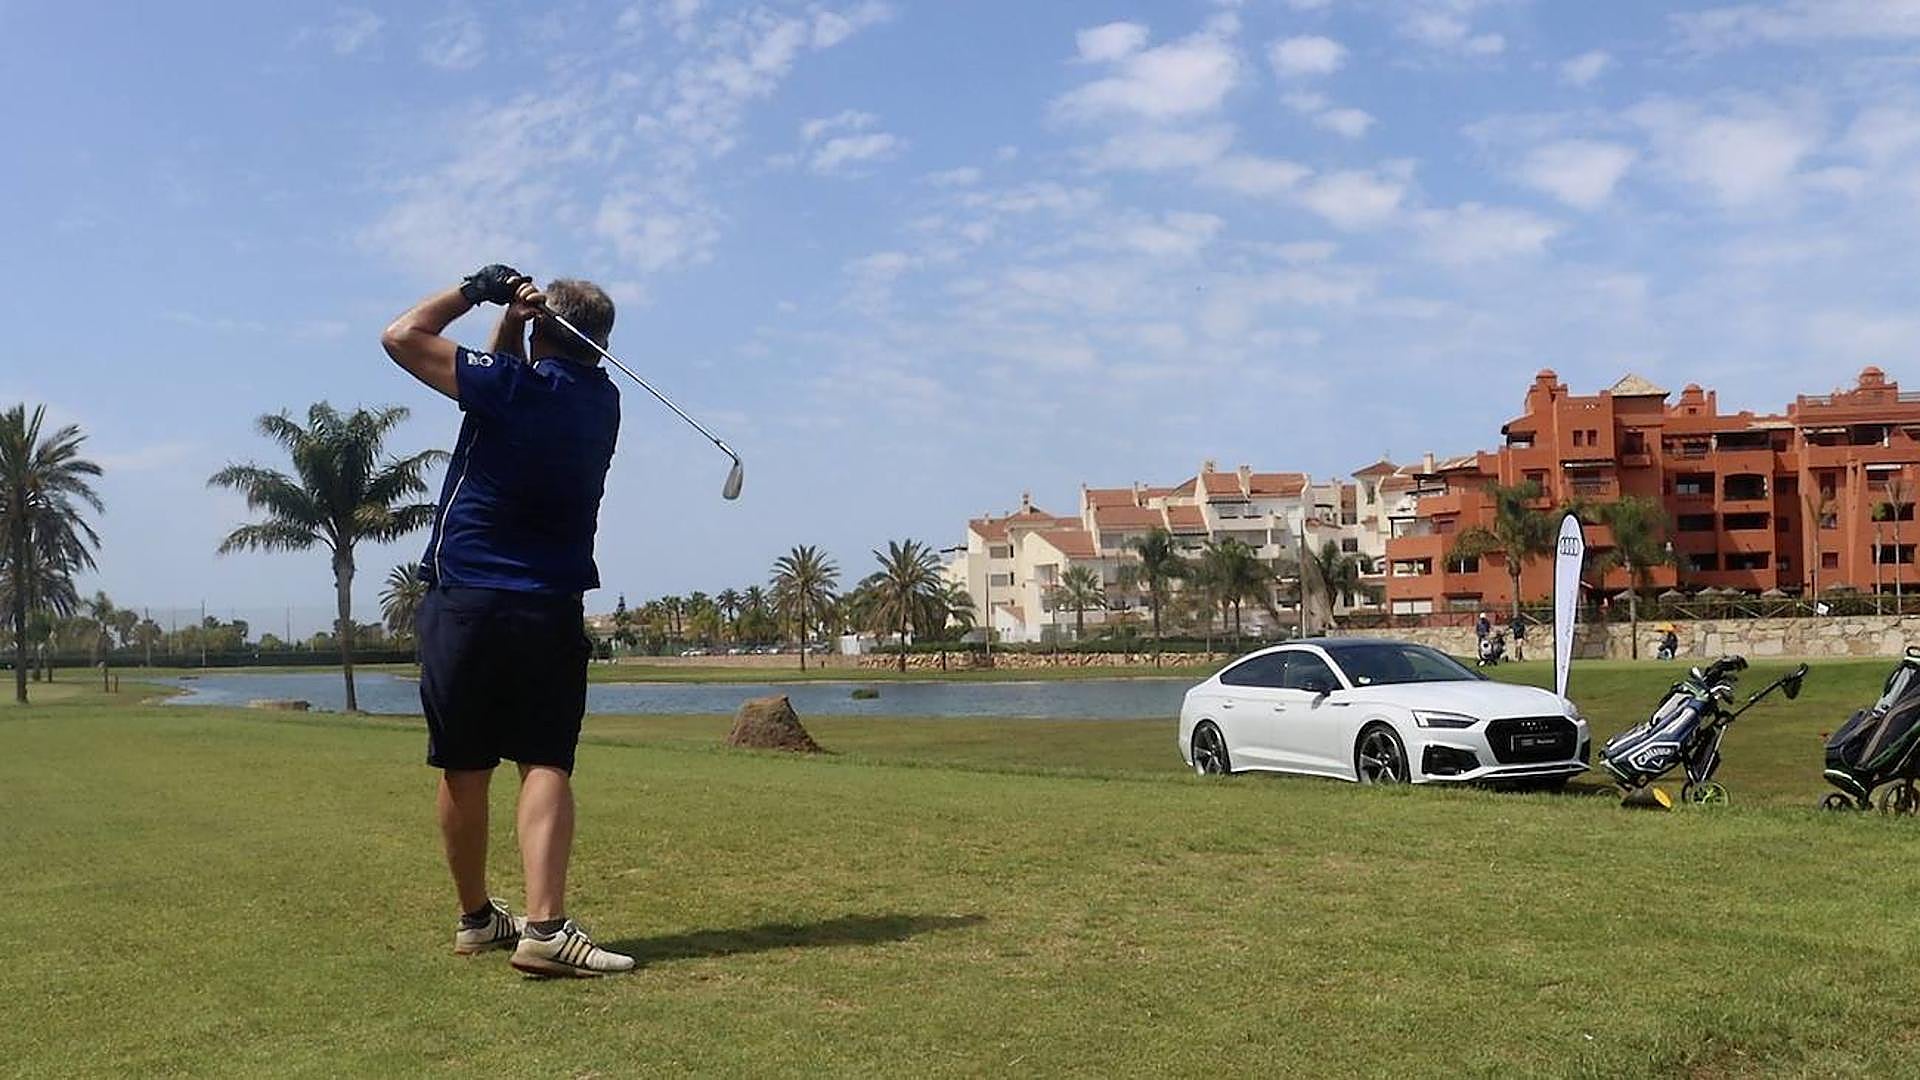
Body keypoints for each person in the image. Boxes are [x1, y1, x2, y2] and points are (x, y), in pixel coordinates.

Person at [381, 264, 632, 978]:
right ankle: (539, 927)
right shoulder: (601, 403)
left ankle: (477, 919)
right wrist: (521, 325)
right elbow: (508, 381)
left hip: (464, 600)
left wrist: (478, 291)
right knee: (543, 758)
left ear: (545, 331)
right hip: (546, 603)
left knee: (465, 764)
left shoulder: (508, 388)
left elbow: (402, 336)